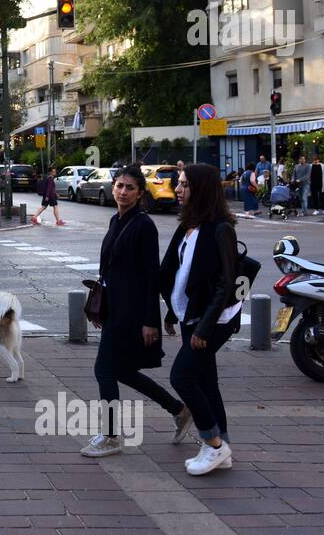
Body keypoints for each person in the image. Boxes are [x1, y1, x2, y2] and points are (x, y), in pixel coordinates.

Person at [81, 164, 191, 458]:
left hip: (131, 311)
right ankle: (179, 410)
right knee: (122, 371)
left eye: (130, 188)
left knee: (103, 369)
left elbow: (150, 277)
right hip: (114, 307)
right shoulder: (116, 221)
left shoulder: (144, 226)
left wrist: (149, 320)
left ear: (141, 193)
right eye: (119, 186)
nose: (123, 192)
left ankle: (112, 435)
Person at [160, 163, 242, 476]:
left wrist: (204, 328)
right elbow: (180, 274)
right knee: (208, 383)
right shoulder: (189, 224)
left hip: (213, 320)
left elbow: (225, 282)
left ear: (202, 189)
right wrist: (172, 309)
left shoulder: (221, 229)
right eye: (178, 184)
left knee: (182, 377)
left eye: (184, 185)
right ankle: (224, 448)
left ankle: (214, 444)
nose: (177, 189)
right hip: (190, 315)